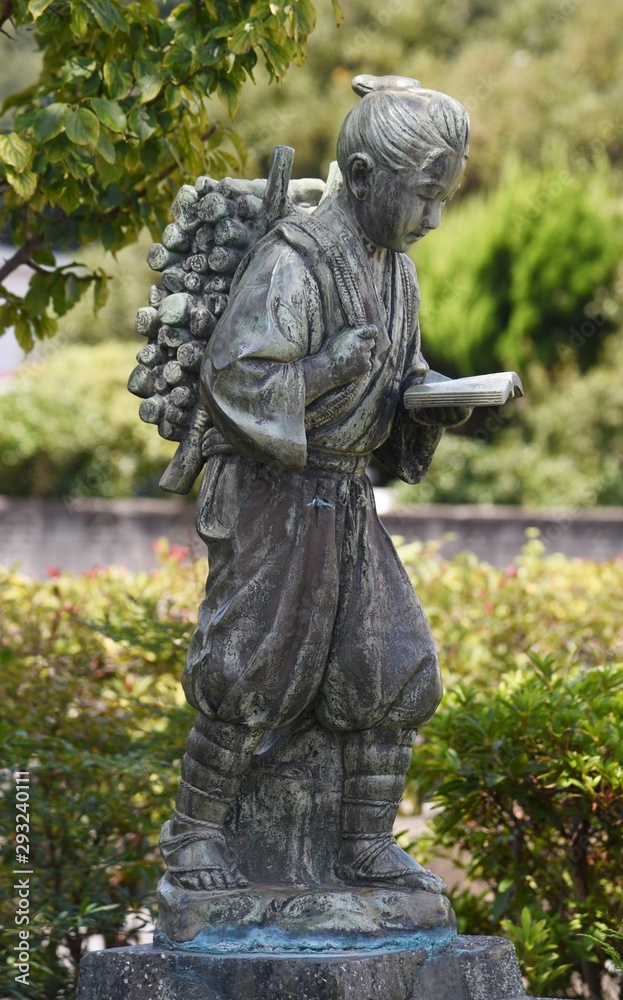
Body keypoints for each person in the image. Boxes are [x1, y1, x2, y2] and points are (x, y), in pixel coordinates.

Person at [160, 74, 471, 896]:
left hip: (346, 498)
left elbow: (398, 374)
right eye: (423, 197)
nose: (434, 219)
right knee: (252, 665)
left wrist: (428, 402)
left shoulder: (395, 268)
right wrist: (329, 366)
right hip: (277, 498)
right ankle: (195, 833)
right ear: (363, 177)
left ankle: (362, 843)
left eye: (445, 198)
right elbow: (236, 380)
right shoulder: (293, 260)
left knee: (394, 661)